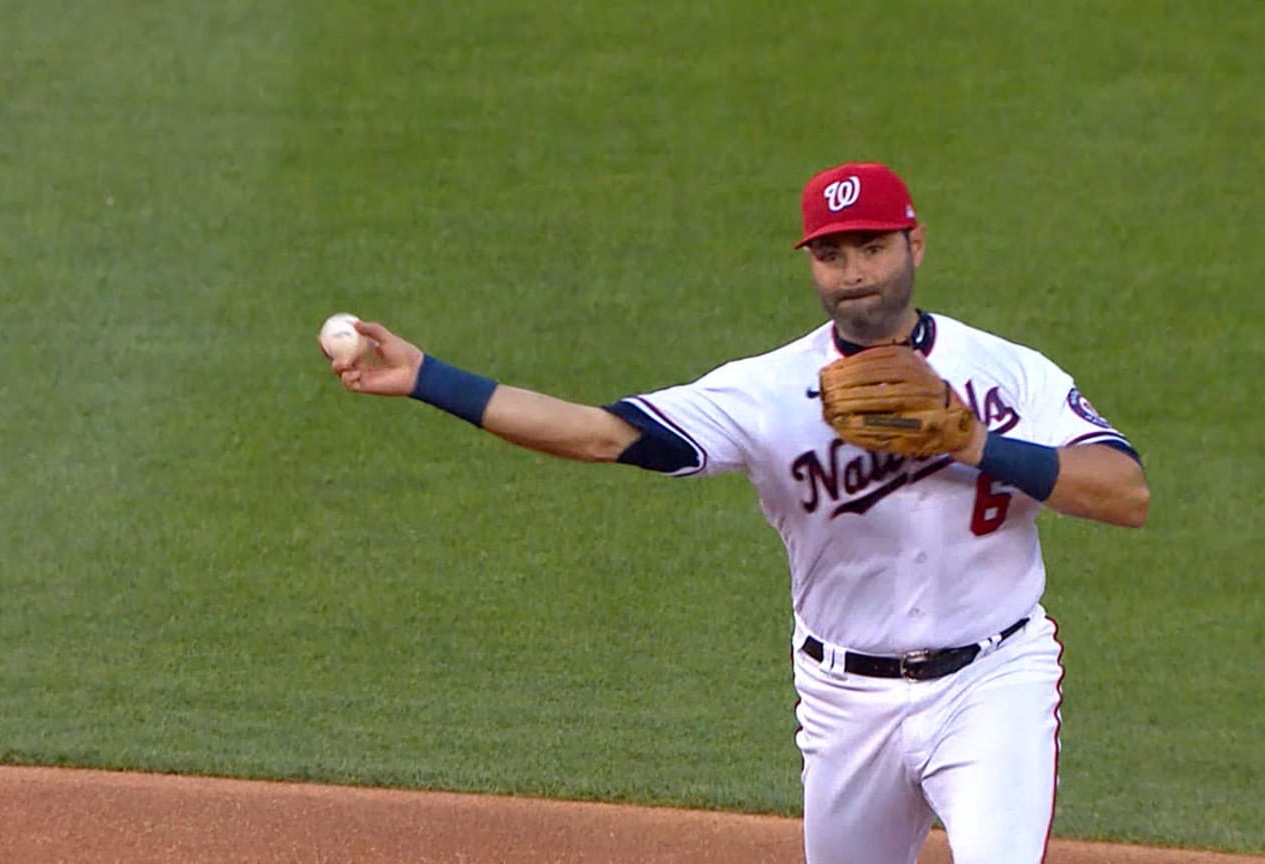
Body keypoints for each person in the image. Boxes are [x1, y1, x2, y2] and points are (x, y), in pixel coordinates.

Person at [324, 161, 1149, 864]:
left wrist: (974, 444)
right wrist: (427, 377)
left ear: (915, 244)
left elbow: (1125, 493)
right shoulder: (765, 391)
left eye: (872, 247)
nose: (854, 271)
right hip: (844, 699)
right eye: (831, 254)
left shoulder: (1006, 373)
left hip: (992, 681)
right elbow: (600, 435)